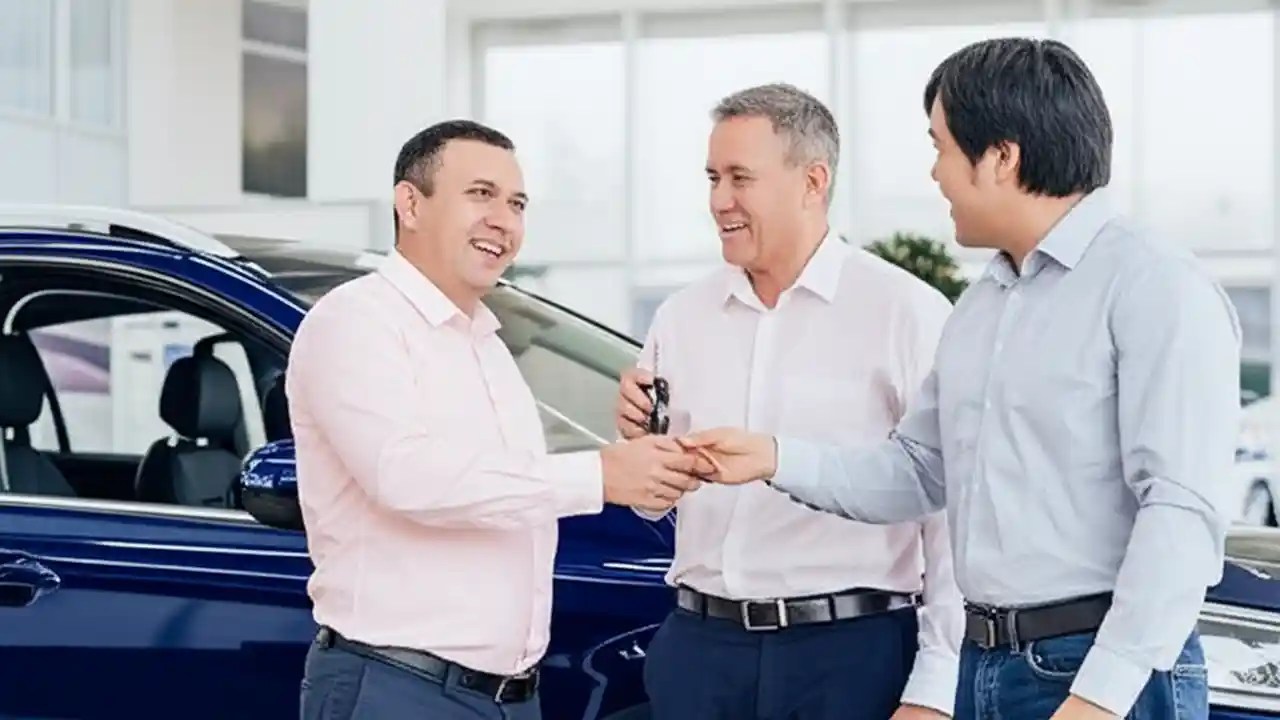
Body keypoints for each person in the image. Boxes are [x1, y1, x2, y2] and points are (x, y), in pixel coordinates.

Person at [679, 39, 1240, 720]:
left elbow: (1181, 511)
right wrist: (774, 457)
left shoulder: (1154, 287)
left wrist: (1100, 694)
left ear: (1002, 157)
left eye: (941, 147)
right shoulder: (985, 304)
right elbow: (918, 472)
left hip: (1099, 672)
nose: (936, 174)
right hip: (989, 665)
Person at [286, 119, 703, 719]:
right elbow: (408, 476)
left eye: (517, 204)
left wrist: (632, 454)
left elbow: (506, 484)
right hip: (399, 689)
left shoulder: (484, 341)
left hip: (507, 698)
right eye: (480, 195)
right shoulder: (355, 322)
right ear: (410, 203)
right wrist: (601, 476)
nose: (503, 221)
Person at [615, 83, 963, 720]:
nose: (720, 200)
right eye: (713, 177)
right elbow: (649, 505)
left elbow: (952, 512)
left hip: (849, 657)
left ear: (813, 181)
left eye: (741, 177)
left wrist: (936, 688)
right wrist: (641, 455)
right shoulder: (681, 317)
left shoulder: (904, 312)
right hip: (699, 652)